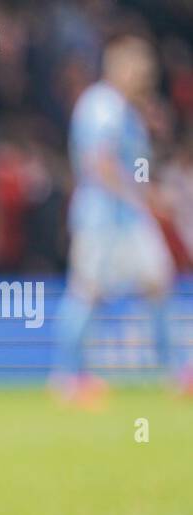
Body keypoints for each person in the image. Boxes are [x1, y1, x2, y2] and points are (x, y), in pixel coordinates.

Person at [53, 35, 180, 406]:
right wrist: (144, 195)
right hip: (101, 217)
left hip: (127, 217)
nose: (145, 76)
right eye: (139, 68)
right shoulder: (102, 106)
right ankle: (68, 378)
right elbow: (100, 163)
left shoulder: (124, 108)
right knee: (87, 291)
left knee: (158, 281)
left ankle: (174, 371)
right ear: (118, 67)